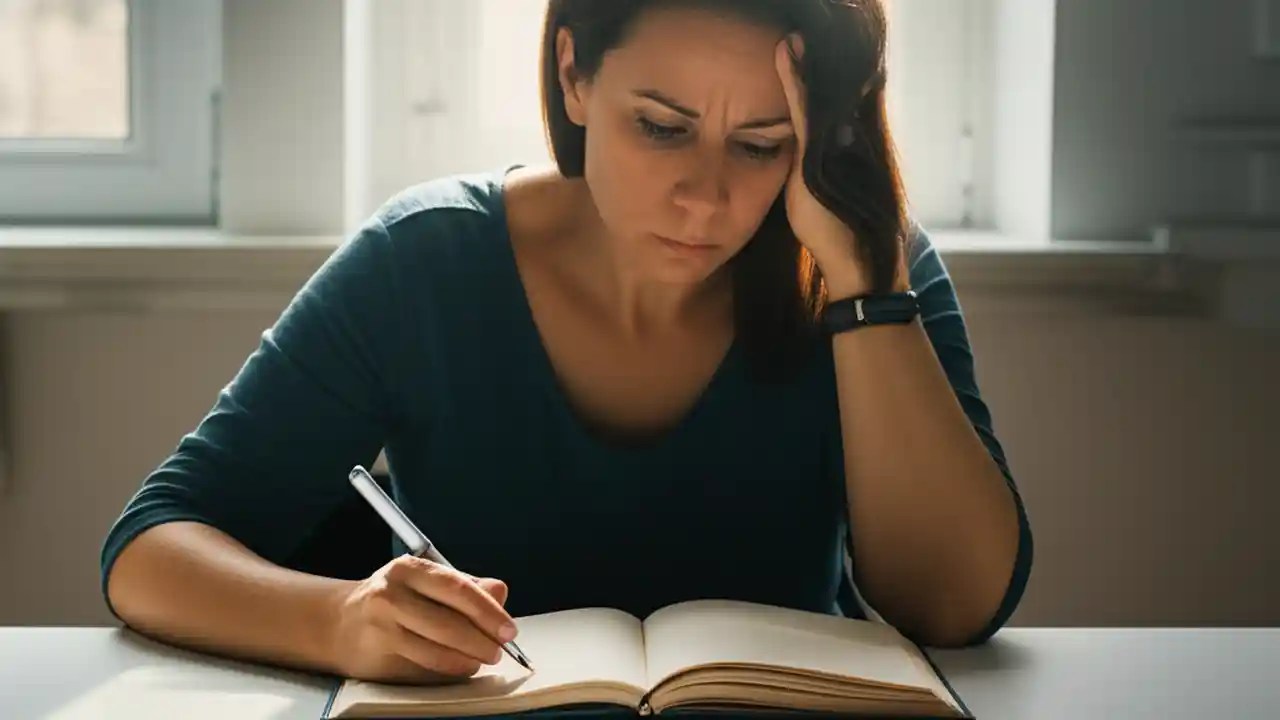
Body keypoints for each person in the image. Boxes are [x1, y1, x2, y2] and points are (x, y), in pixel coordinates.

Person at [101, 0, 1033, 686]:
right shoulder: (424, 262)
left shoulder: (865, 262)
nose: (704, 198)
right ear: (574, 74)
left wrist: (868, 293)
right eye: (661, 128)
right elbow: (152, 547)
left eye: (761, 144)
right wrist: (340, 618)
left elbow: (954, 609)